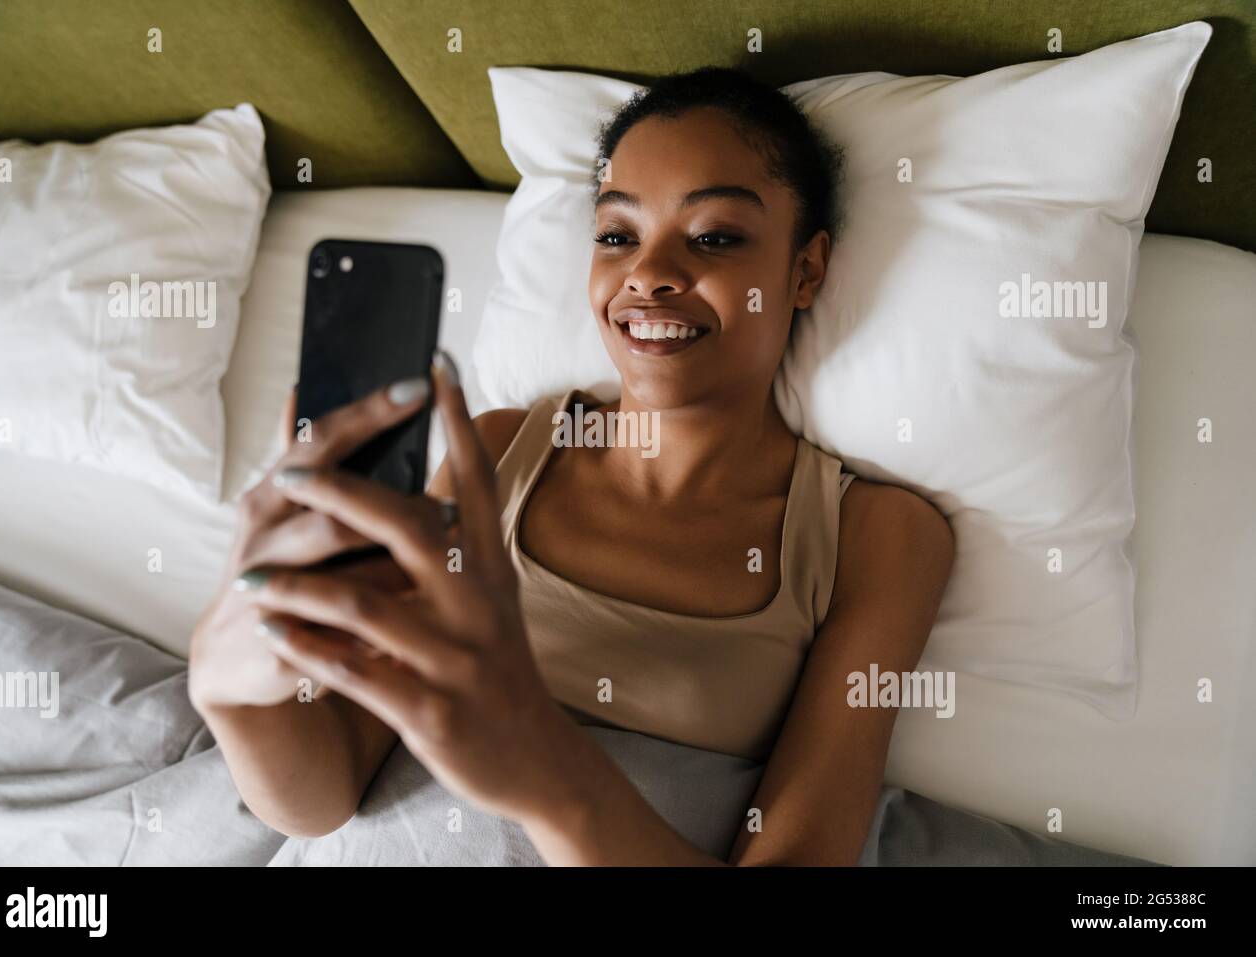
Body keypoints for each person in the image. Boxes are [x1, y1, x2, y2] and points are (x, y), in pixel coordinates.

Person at [188, 67, 955, 866]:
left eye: (716, 236)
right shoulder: (496, 451)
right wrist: (235, 696)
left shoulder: (877, 535)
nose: (647, 273)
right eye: (618, 234)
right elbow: (325, 793)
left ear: (806, 269)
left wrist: (543, 771)